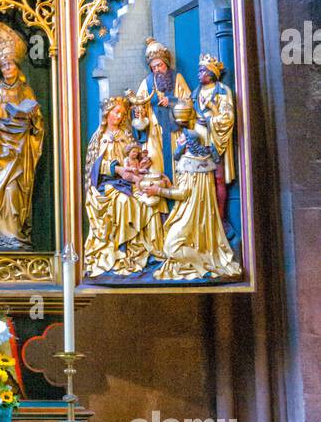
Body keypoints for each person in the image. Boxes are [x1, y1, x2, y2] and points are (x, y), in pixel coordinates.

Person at [145, 101, 241, 281]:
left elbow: (183, 194)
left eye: (181, 140)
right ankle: (201, 259)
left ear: (188, 143)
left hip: (190, 217)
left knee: (170, 247)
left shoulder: (190, 164)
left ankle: (203, 263)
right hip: (196, 213)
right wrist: (167, 183)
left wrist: (157, 190)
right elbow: (186, 189)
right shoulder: (202, 161)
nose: (178, 142)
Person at [0, 23, 44, 250]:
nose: (7, 68)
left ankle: (14, 235)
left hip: (19, 154)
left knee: (13, 193)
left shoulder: (26, 92)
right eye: (3, 65)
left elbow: (38, 127)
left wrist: (33, 119)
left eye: (10, 64)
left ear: (17, 65)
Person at [83, 96, 167, 277]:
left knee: (150, 201)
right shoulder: (101, 138)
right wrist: (117, 169)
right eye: (116, 112)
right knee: (123, 202)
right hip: (108, 183)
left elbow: (133, 158)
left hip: (128, 180)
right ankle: (121, 251)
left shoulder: (126, 135)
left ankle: (147, 250)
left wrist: (141, 162)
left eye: (122, 113)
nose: (119, 116)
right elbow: (94, 168)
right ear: (107, 114)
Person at [132, 38, 191, 180]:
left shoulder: (177, 78)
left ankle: (177, 191)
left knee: (177, 162)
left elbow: (188, 101)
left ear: (166, 63)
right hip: (154, 129)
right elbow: (138, 103)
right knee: (154, 162)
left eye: (160, 65)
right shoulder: (146, 82)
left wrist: (171, 101)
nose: (157, 69)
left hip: (173, 128)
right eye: (154, 67)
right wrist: (139, 110)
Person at [193, 53, 236, 221]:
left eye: (202, 70)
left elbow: (228, 116)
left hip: (215, 139)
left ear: (210, 72)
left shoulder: (222, 91)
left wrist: (210, 119)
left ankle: (220, 217)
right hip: (197, 138)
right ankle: (203, 218)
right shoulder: (196, 92)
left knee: (218, 178)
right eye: (198, 71)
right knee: (201, 179)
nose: (199, 74)